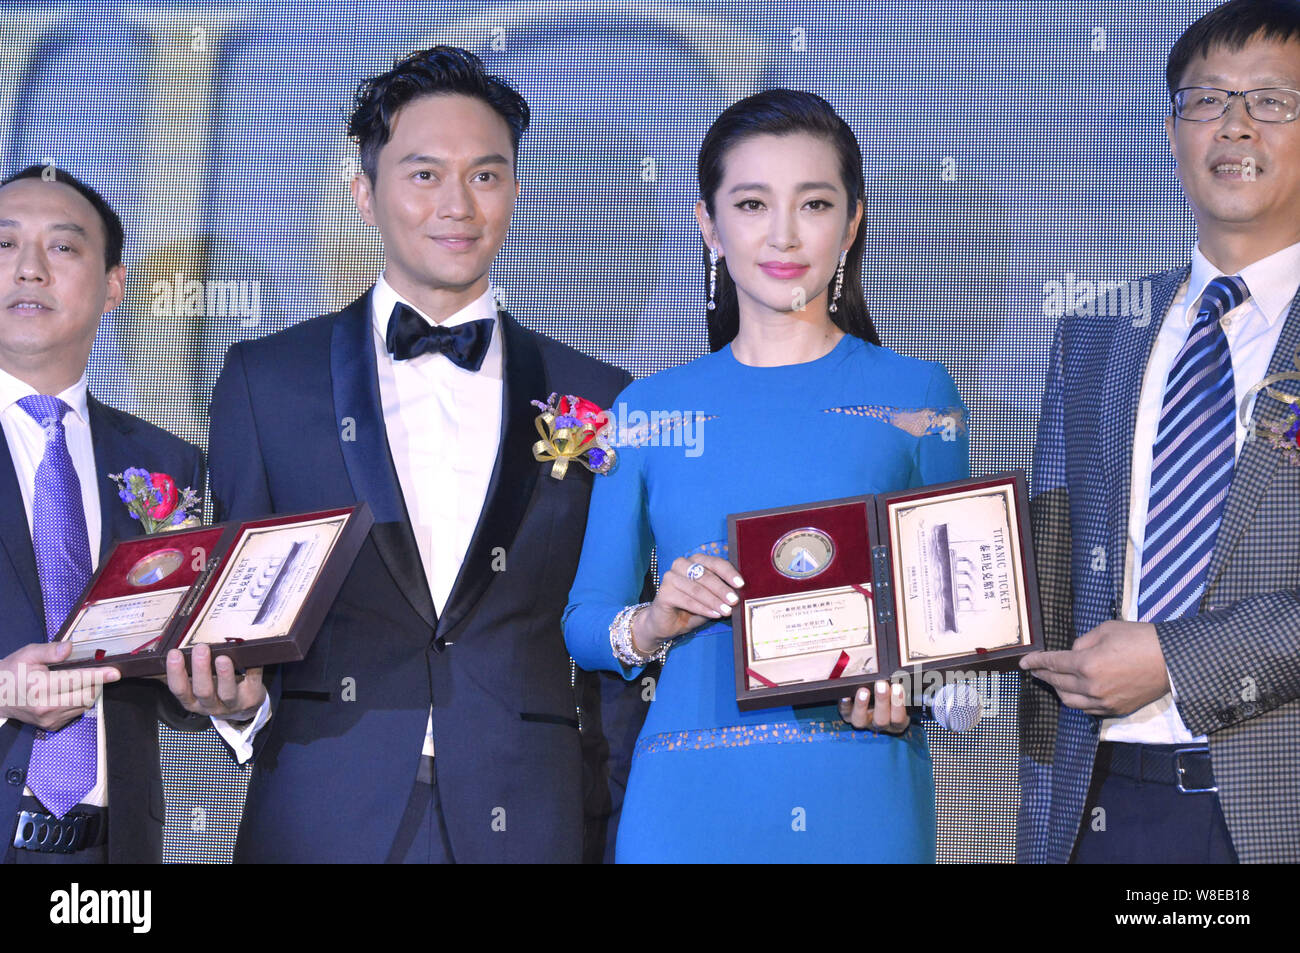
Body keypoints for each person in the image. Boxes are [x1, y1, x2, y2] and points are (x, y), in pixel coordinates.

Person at [198, 46, 642, 862]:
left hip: (534, 814)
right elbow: (238, 611)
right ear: (364, 194)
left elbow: (606, 629)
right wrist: (237, 702)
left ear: (515, 189)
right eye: (424, 174)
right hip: (321, 810)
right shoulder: (266, 381)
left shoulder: (604, 397)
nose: (458, 206)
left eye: (485, 175)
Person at [563, 88, 970, 862]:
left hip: (859, 796)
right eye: (752, 204)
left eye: (813, 203)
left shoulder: (919, 397)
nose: (783, 234)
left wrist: (910, 696)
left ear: (852, 222)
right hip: (686, 807)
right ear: (709, 225)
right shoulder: (647, 408)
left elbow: (960, 638)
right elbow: (585, 622)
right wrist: (654, 620)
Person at [1019, 0, 1300, 864]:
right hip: (1096, 803)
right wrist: (893, 661)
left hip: (1273, 802)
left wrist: (1175, 659)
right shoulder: (1097, 335)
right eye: (1206, 99)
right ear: (1172, 129)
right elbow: (1049, 565)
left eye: (1273, 101)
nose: (1235, 125)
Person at [0, 165, 205, 863]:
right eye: (3, 245)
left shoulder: (170, 466)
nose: (28, 270)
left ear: (115, 286)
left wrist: (224, 692)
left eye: (61, 247)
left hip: (114, 855)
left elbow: (180, 688)